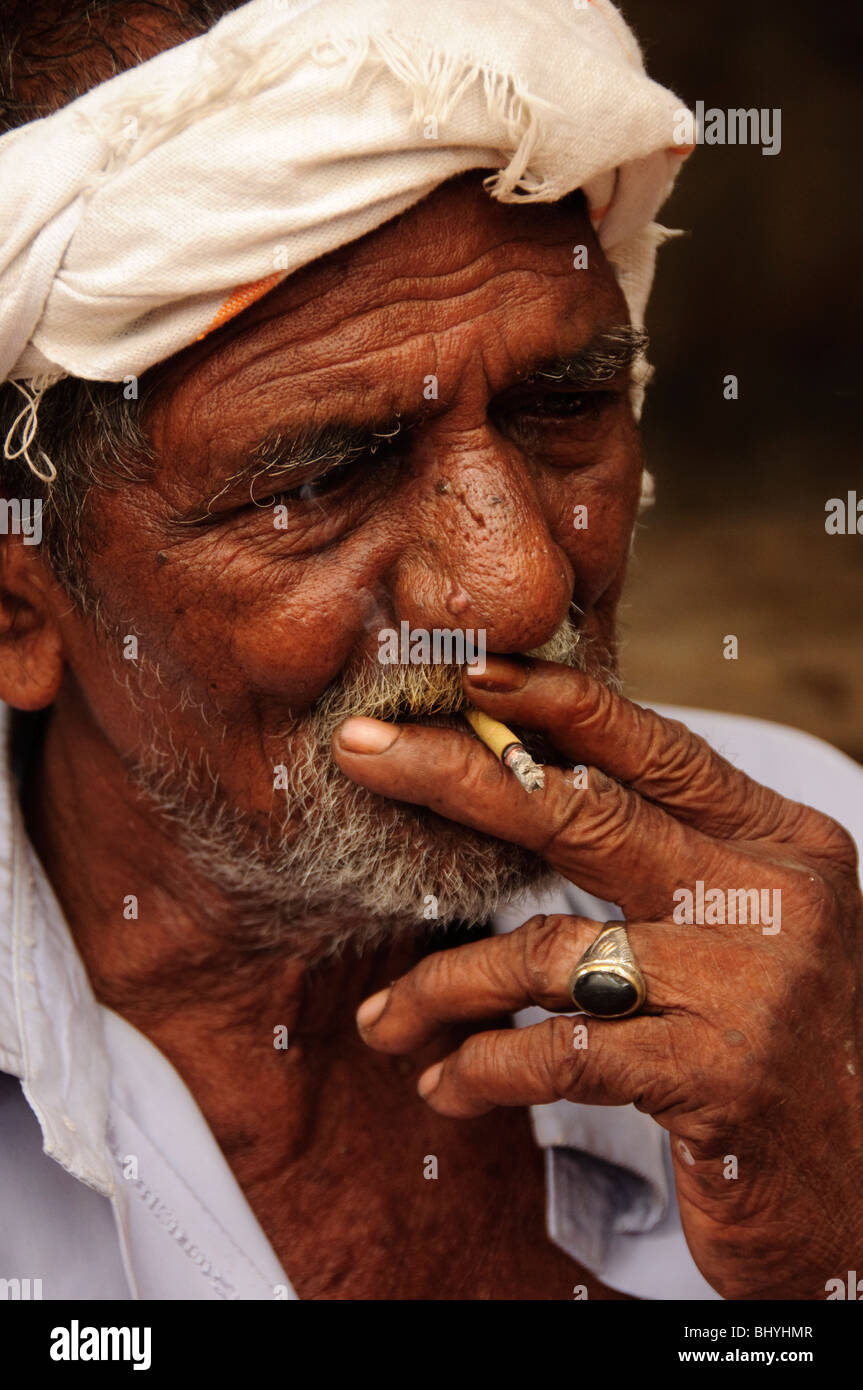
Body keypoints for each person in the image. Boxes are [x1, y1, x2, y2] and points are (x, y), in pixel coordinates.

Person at [0, 0, 860, 1302]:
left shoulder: (819, 876)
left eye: (564, 406)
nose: (519, 584)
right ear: (19, 611)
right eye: (323, 481)